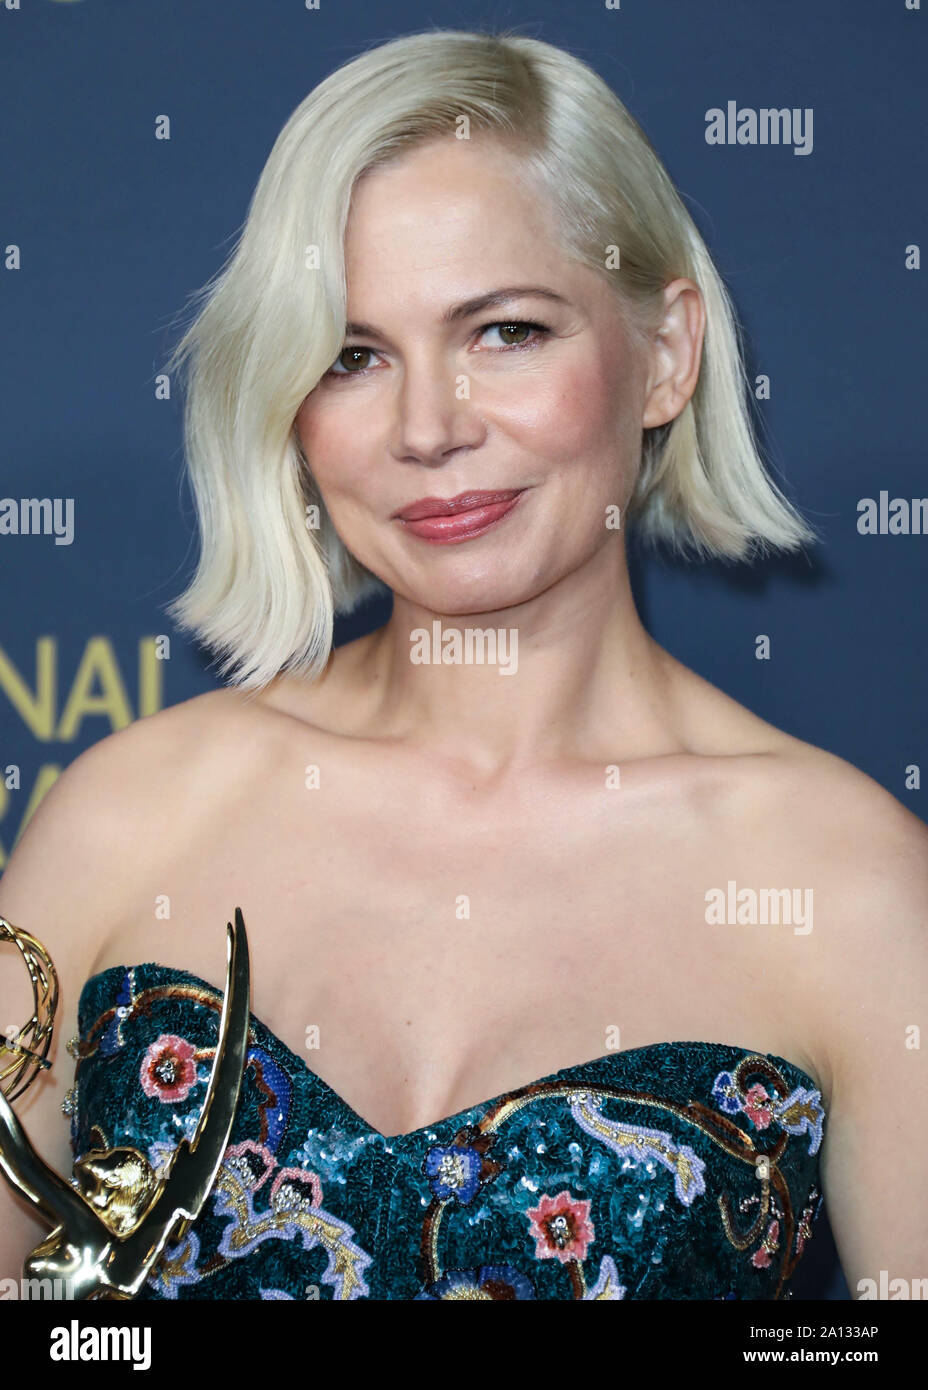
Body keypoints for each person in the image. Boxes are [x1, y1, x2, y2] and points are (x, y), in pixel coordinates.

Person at [0, 28, 925, 1301]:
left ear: (664, 355)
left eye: (504, 331)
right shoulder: (127, 815)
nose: (428, 429)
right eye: (352, 355)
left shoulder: (847, 886)